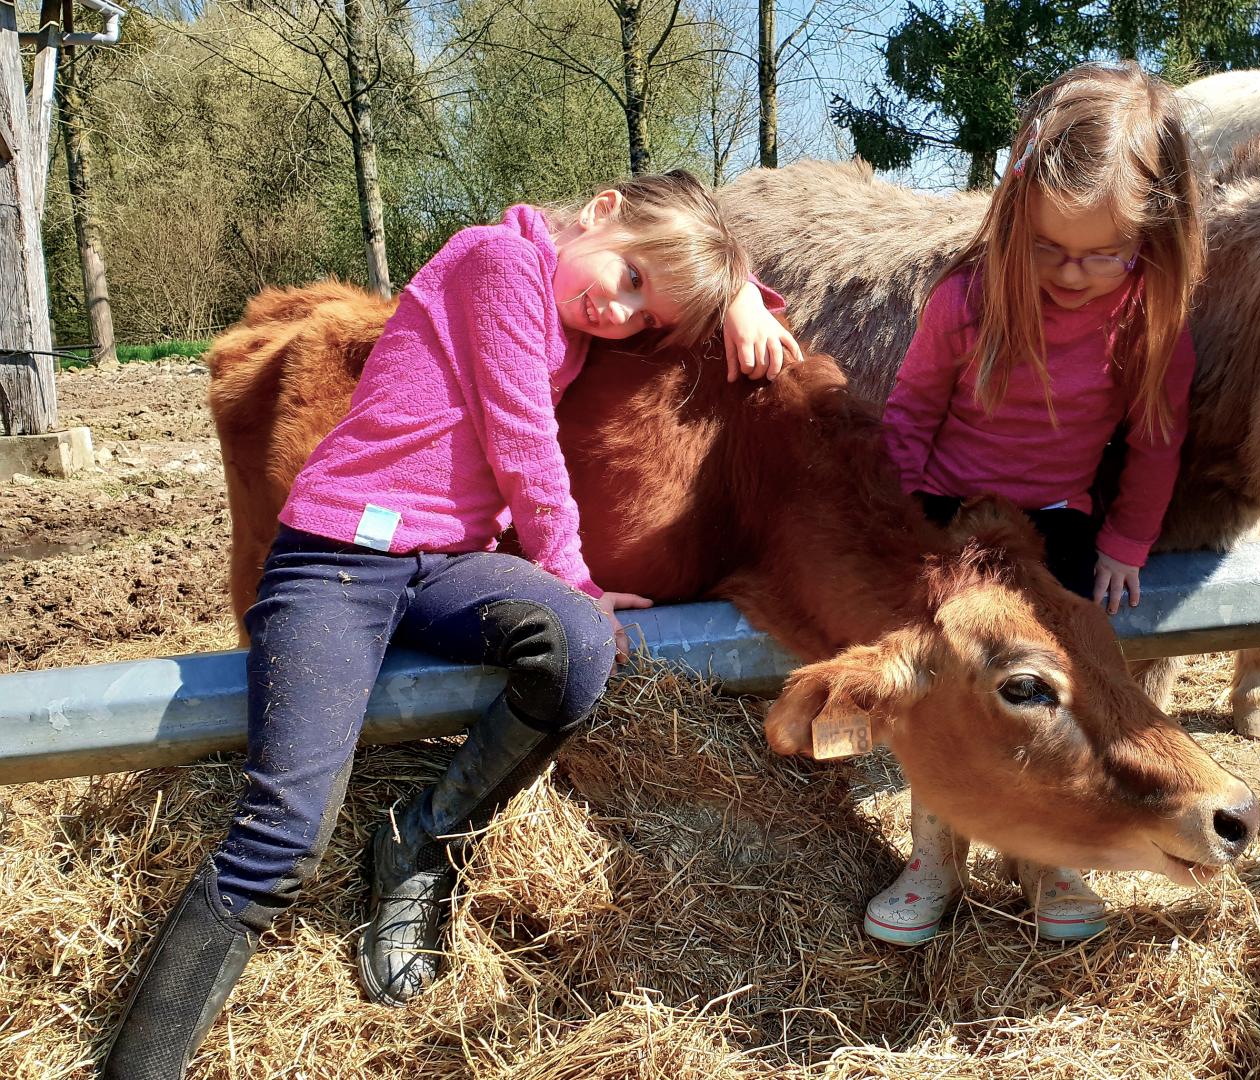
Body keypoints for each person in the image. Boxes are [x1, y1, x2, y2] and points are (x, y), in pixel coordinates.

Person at [103, 170, 800, 1079]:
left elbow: (674, 252)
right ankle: (140, 1066)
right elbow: (522, 437)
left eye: (643, 315)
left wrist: (745, 293)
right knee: (281, 842)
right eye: (627, 277)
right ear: (594, 210)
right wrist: (572, 572)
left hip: (446, 563)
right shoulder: (501, 260)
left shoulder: (577, 304)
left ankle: (421, 837)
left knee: (578, 650)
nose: (620, 311)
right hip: (340, 557)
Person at [870, 62, 1204, 946]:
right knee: (946, 695)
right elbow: (908, 414)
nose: (1073, 272)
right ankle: (934, 856)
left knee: (1060, 695)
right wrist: (903, 525)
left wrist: (1127, 543)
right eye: (1050, 247)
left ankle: (1050, 857)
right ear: (1016, 215)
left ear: (1157, 233)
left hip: (1058, 519)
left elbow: (1154, 441)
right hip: (950, 514)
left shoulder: (1150, 321)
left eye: (1104, 252)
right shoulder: (967, 298)